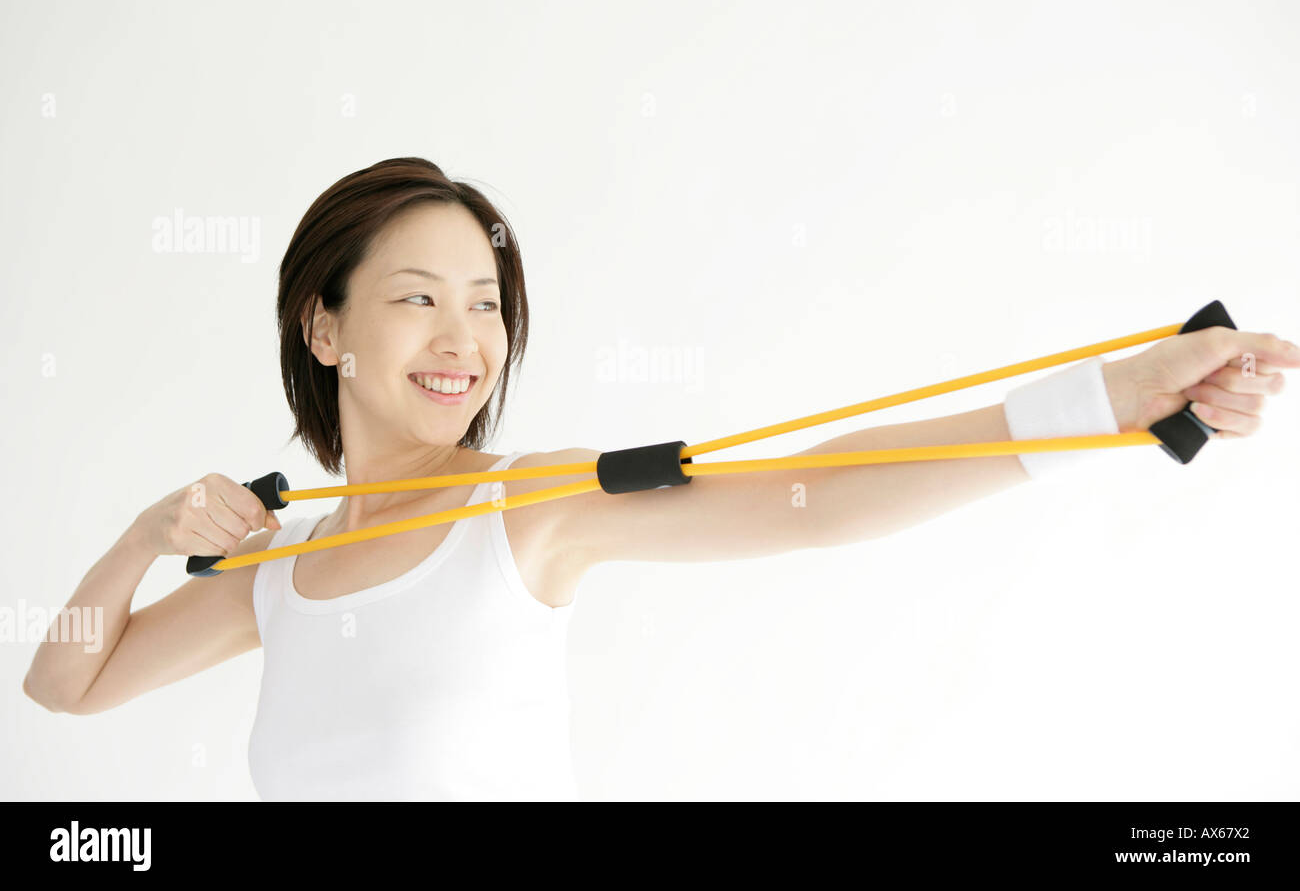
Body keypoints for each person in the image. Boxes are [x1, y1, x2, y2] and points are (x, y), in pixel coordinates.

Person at [23, 156, 1300, 800]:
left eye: (486, 302)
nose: (463, 338)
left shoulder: (531, 506)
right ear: (326, 329)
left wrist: (1107, 399)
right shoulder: (277, 575)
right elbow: (62, 679)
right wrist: (145, 530)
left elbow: (808, 494)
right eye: (417, 300)